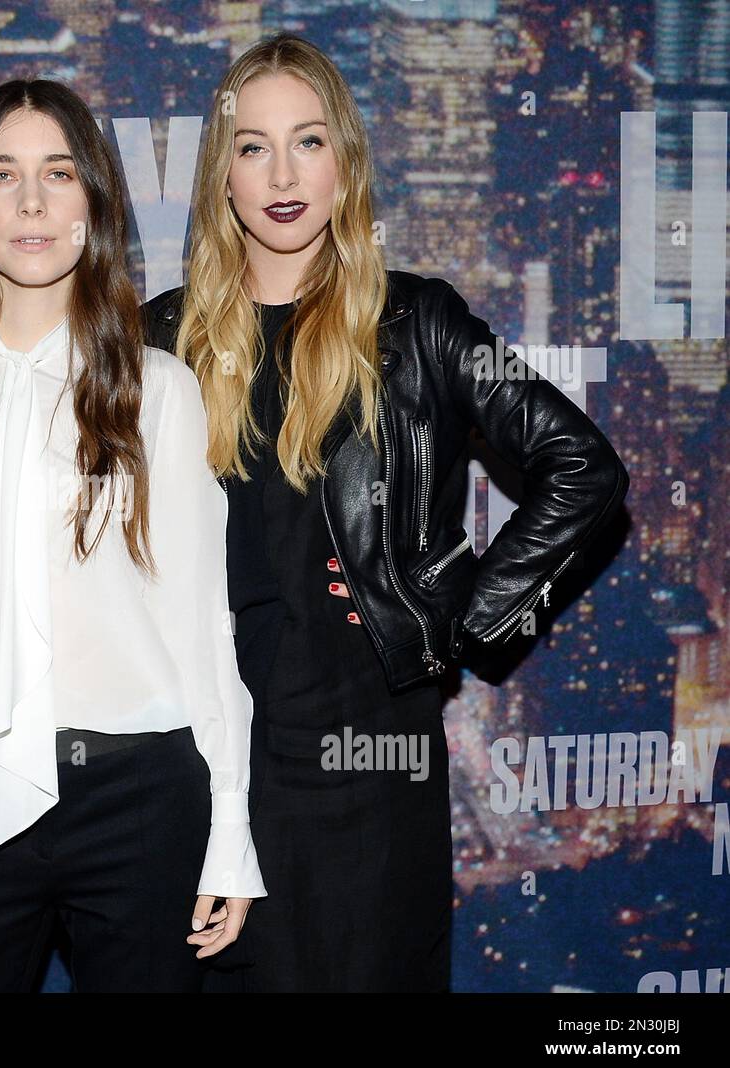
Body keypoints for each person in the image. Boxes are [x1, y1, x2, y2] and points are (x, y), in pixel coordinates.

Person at [141, 33, 629, 992]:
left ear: (345, 164)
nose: (283, 173)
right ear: (221, 177)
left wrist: (469, 611)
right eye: (253, 146)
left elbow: (584, 466)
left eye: (309, 141)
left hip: (374, 761)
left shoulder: (420, 324)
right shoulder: (160, 336)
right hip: (208, 760)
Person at [0, 78, 266, 993]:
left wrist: (230, 831)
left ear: (95, 201)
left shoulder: (157, 389)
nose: (33, 201)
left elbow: (205, 625)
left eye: (59, 173)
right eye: (4, 174)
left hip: (138, 801)